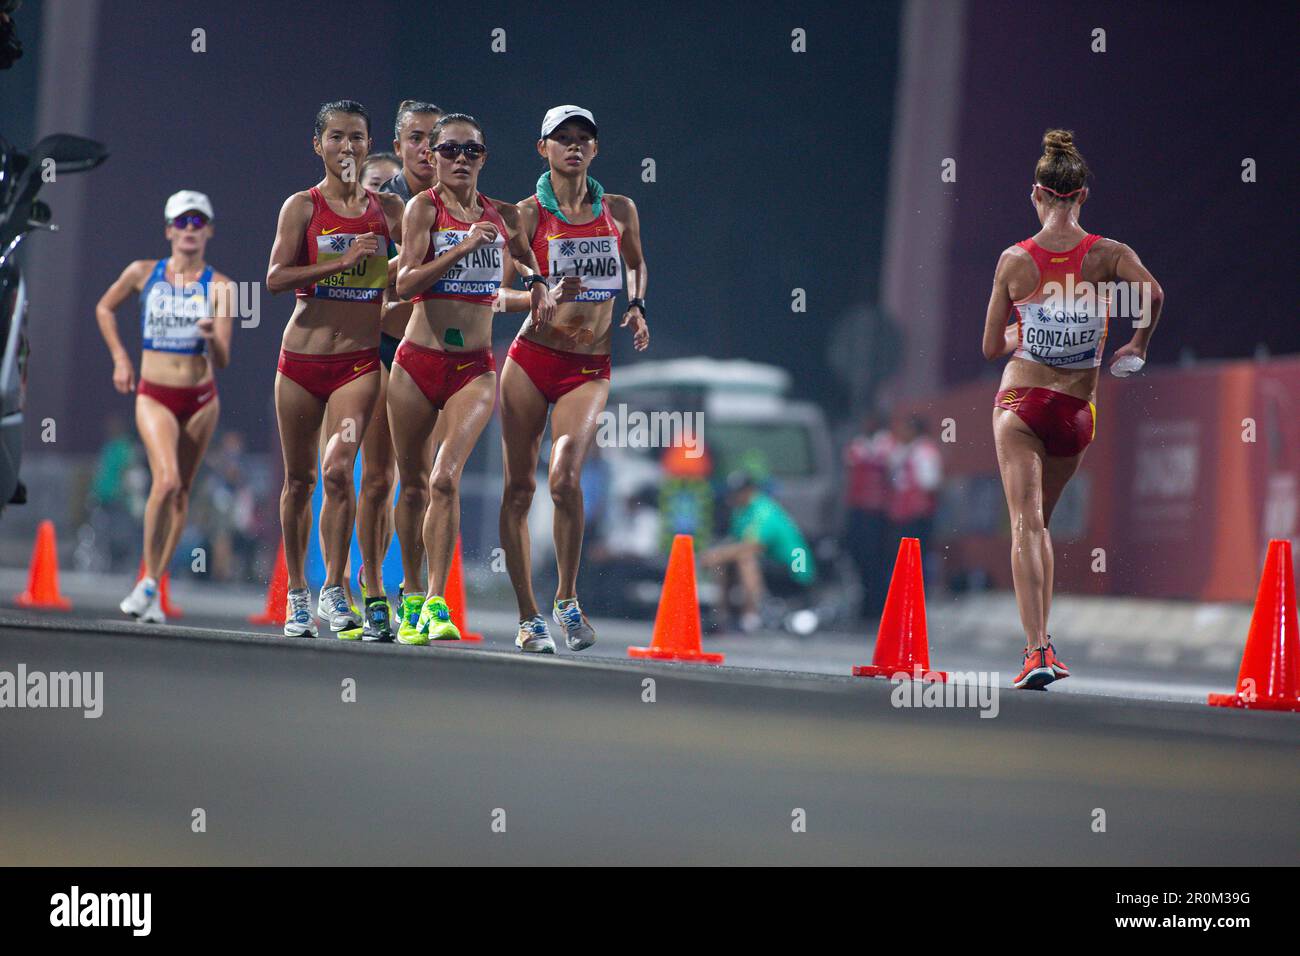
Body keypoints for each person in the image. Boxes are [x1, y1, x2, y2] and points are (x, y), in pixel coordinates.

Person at [982, 128, 1163, 689]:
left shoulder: (1015, 260)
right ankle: (1044, 646)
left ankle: (1036, 651)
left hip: (1020, 401)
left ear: (1036, 193)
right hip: (1076, 411)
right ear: (1083, 194)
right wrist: (1137, 346)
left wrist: (1019, 333)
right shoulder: (1109, 255)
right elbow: (1152, 295)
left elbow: (990, 348)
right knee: (1042, 527)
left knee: (1024, 524)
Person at [390, 112, 556, 643]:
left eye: (471, 151)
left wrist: (540, 288)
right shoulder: (422, 208)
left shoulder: (503, 216)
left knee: (445, 478)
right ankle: (412, 595)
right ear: (433, 158)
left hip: (474, 368)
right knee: (413, 486)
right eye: (449, 150)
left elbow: (530, 270)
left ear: (484, 157)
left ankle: (438, 602)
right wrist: (461, 247)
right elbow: (405, 281)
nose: (460, 160)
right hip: (416, 358)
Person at [497, 105, 648, 654]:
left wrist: (637, 304)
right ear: (543, 149)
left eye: (584, 138)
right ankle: (528, 615)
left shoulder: (620, 210)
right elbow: (499, 291)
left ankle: (566, 598)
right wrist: (536, 292)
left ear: (596, 149)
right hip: (531, 360)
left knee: (563, 479)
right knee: (519, 488)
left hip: (587, 369)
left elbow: (635, 262)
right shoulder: (527, 216)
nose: (575, 146)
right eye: (563, 139)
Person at [265, 100, 404, 639]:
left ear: (370, 145)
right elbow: (276, 278)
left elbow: (416, 261)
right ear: (318, 144)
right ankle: (297, 593)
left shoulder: (387, 212)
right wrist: (343, 264)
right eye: (338, 137)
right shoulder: (301, 207)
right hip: (300, 361)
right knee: (298, 481)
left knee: (339, 469)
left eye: (358, 138)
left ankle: (333, 587)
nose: (348, 147)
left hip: (358, 363)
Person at [96, 190, 233, 623]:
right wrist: (120, 357)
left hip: (200, 399)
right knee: (167, 480)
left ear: (208, 230)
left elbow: (224, 358)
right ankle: (148, 580)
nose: (189, 230)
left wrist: (211, 336)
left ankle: (151, 583)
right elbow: (104, 307)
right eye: (182, 222)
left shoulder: (223, 287)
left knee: (182, 493)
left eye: (198, 222)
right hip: (154, 393)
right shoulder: (142, 272)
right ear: (168, 230)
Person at [699, 472, 816, 633]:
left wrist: (717, 555)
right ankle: (721, 617)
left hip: (795, 567)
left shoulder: (763, 510)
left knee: (745, 558)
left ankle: (751, 617)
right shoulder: (740, 512)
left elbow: (754, 546)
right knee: (725, 562)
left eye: (738, 492)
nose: (734, 496)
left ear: (749, 491)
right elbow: (735, 542)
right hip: (770, 562)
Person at [842, 411, 895, 619]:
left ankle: (877, 605)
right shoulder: (859, 444)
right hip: (859, 510)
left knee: (877, 561)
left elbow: (887, 463)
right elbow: (852, 459)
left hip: (879, 513)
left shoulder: (887, 444)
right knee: (860, 558)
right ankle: (865, 605)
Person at [887, 413, 942, 572]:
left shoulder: (924, 452)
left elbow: (929, 483)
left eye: (905, 429)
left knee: (915, 558)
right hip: (903, 516)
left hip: (916, 516)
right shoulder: (906, 451)